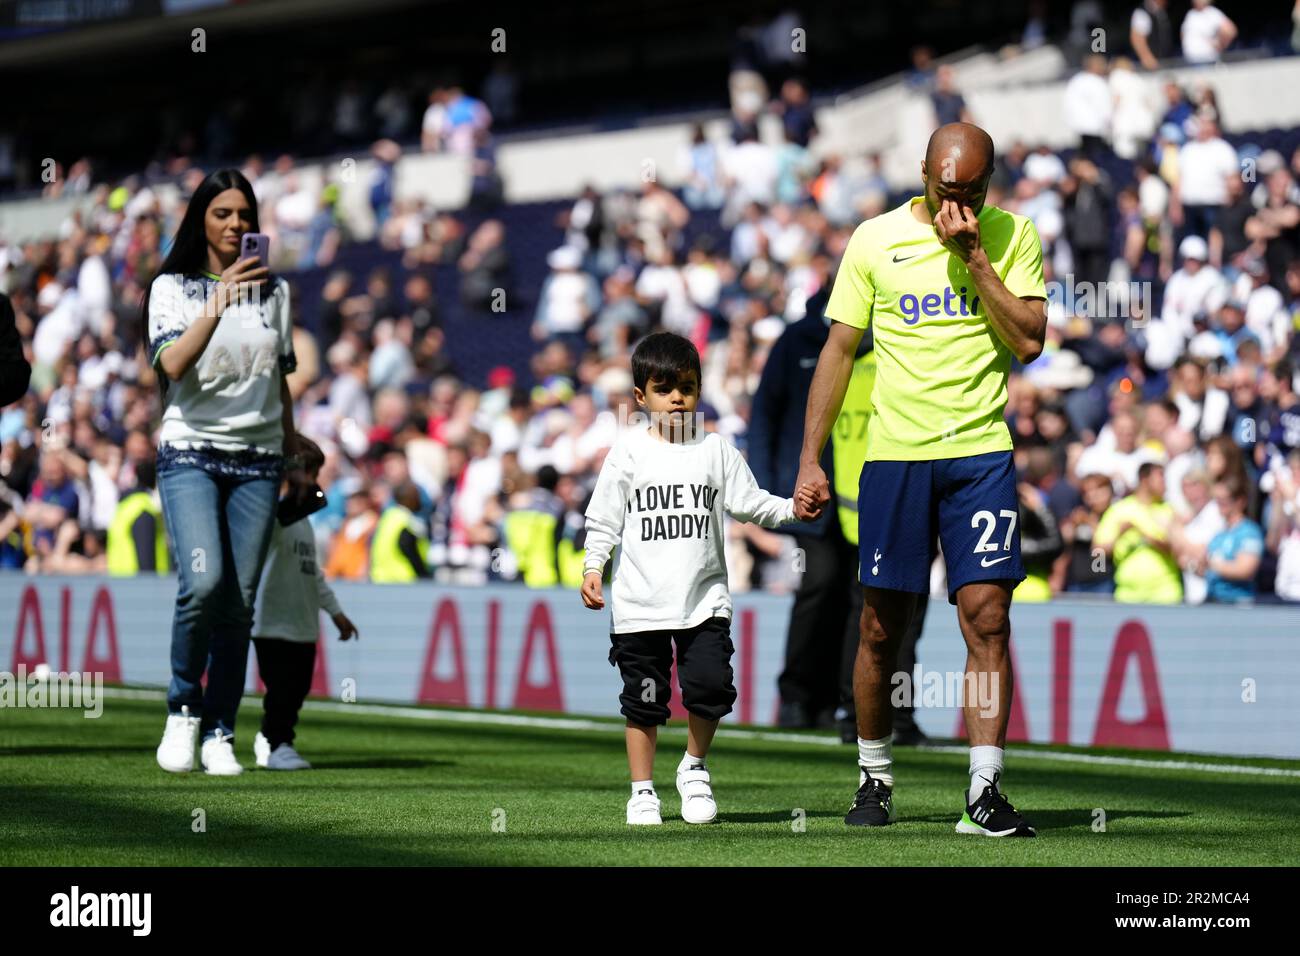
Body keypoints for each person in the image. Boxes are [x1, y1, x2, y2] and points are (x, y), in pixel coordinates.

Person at [797, 123, 1047, 837]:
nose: (955, 203)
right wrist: (811, 459)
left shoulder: (1013, 237)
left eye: (969, 192)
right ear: (923, 174)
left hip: (980, 455)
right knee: (881, 626)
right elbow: (839, 351)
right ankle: (874, 777)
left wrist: (975, 260)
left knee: (989, 618)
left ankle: (985, 792)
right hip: (896, 458)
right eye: (944, 189)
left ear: (990, 184)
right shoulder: (874, 240)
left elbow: (1028, 340)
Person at [581, 332, 816, 826]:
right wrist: (592, 567)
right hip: (640, 604)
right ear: (641, 398)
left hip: (704, 600)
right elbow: (604, 520)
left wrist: (794, 507)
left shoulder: (716, 450)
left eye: (686, 387)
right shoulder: (627, 453)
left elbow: (751, 504)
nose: (677, 398)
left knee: (709, 689)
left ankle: (693, 767)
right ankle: (642, 791)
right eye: (664, 388)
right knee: (643, 701)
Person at [146, 168, 314, 776]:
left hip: (260, 461)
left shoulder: (276, 293)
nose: (236, 224)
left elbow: (281, 380)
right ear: (201, 220)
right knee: (205, 582)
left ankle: (220, 729)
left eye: (244, 214)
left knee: (239, 603)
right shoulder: (172, 287)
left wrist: (294, 456)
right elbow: (174, 365)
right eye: (222, 214)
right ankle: (182, 708)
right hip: (190, 450)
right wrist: (218, 301)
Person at [251, 444, 359, 770]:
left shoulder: (303, 524)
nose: (315, 482)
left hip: (303, 622)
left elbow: (313, 575)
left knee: (297, 687)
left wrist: (336, 612)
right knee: (281, 687)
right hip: (271, 619)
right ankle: (277, 742)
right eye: (311, 472)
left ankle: (271, 738)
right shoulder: (269, 516)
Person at [1094, 461, 1184, 604]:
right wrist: (1119, 535)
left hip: (1166, 593)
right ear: (1144, 480)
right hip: (1127, 594)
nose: (1164, 483)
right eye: (1160, 477)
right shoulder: (1119, 510)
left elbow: (1180, 554)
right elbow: (1096, 559)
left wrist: (1148, 538)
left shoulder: (1169, 511)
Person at [1199, 475, 1264, 603]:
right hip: (1213, 601)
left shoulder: (1249, 532)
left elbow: (1245, 570)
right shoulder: (1219, 534)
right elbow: (1206, 569)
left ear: (1240, 501)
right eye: (1217, 500)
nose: (1219, 505)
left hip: (1237, 603)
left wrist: (1212, 564)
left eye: (1224, 501)